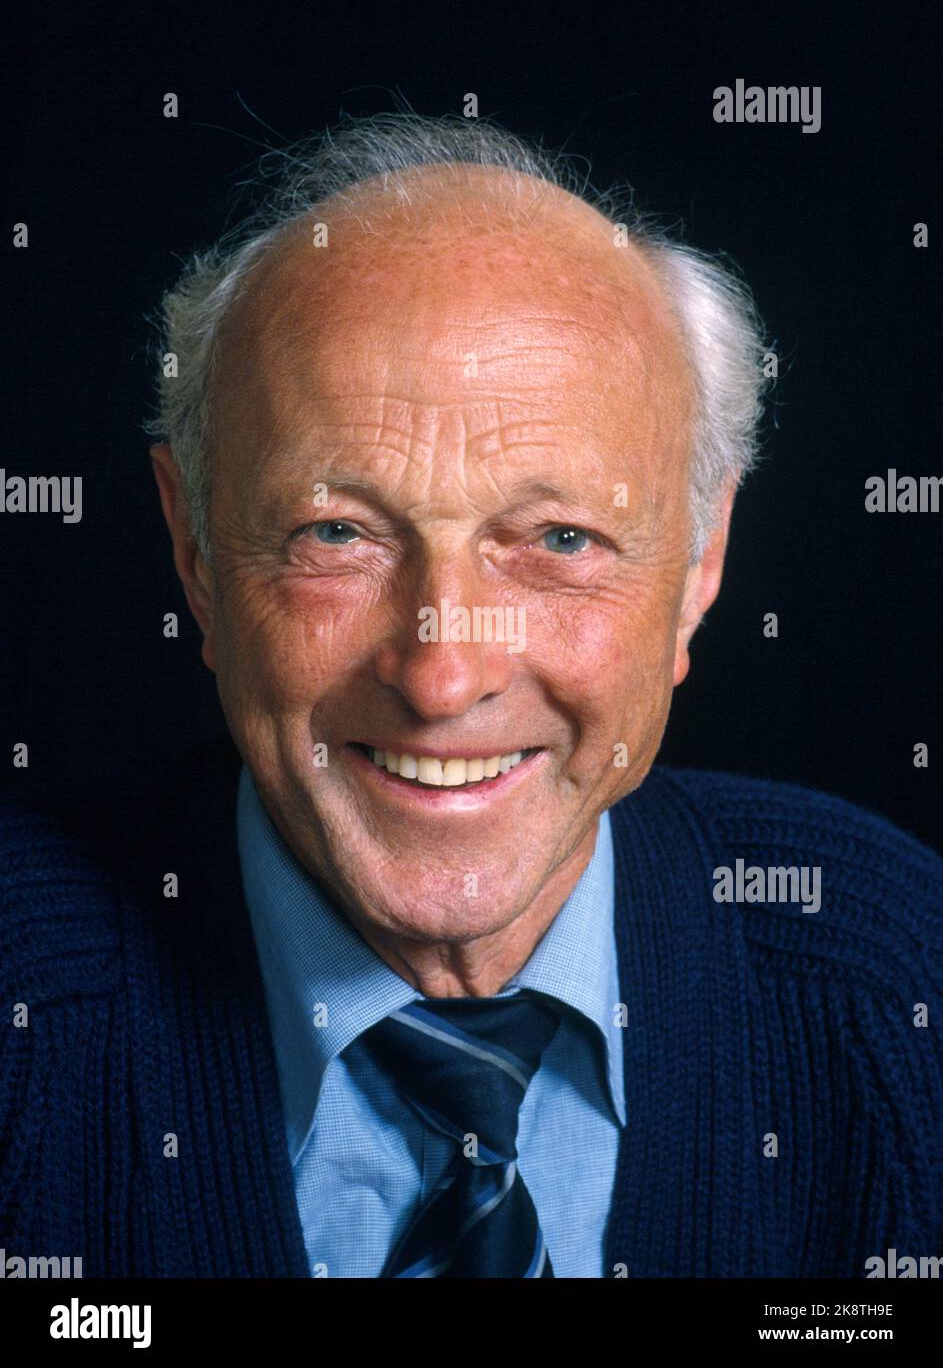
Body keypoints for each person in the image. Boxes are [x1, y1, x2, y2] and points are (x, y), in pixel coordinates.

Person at [2, 113, 940, 1279]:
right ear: (193, 548)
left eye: (558, 537)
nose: (443, 676)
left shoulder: (893, 978)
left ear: (701, 565)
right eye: (335, 532)